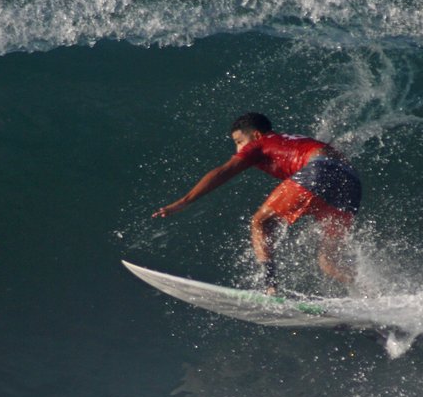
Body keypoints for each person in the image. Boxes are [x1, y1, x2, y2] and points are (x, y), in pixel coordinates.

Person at [152, 112, 362, 294]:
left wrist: (184, 201)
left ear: (256, 135)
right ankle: (371, 293)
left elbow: (224, 171)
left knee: (260, 222)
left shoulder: (260, 144)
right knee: (328, 262)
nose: (238, 149)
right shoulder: (290, 141)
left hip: (320, 170)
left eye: (238, 141)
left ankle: (270, 288)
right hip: (351, 183)